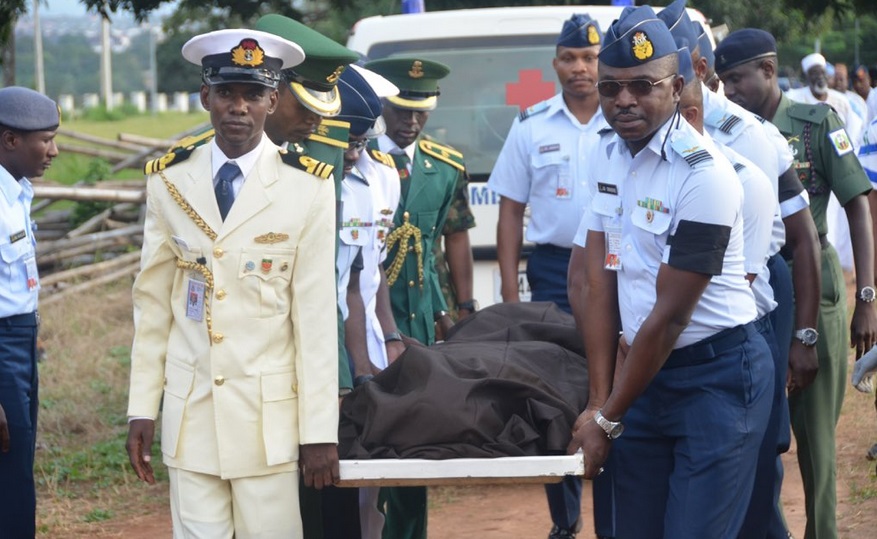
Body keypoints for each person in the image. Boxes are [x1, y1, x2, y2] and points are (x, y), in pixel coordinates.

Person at [567, 7, 774, 538]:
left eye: (643, 85)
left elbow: (670, 316)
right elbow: (597, 276)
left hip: (718, 379)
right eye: (611, 89)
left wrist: (607, 417)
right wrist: (597, 400)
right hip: (642, 380)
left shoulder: (706, 175)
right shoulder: (608, 157)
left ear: (678, 84)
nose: (625, 101)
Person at [125, 29, 340, 538]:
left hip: (268, 427)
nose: (237, 107)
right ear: (206, 98)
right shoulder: (169, 181)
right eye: (225, 93)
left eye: (251, 95)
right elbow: (153, 305)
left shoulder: (306, 187)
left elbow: (312, 320)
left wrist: (318, 432)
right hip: (191, 416)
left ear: (273, 100)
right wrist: (141, 407)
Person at [716, 29, 877, 539]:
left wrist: (867, 296)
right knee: (760, 437)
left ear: (768, 69)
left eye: (737, 77)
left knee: (816, 441)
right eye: (722, 80)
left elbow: (859, 204)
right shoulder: (724, 131)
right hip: (750, 283)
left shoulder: (815, 124)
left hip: (816, 280)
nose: (729, 89)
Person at [488, 13, 606, 538]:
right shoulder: (531, 125)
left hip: (615, 268)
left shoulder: (626, 118)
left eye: (589, 58)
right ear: (555, 63)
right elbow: (510, 212)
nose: (579, 68)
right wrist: (513, 298)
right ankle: (564, 520)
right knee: (554, 390)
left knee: (610, 384)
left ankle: (618, 513)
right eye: (569, 58)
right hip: (555, 270)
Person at [364, 55, 462, 539]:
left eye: (421, 111)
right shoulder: (356, 162)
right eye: (402, 110)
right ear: (384, 104)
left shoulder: (444, 168)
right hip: (363, 326)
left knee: (413, 444)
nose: (411, 121)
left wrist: (449, 311)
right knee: (365, 436)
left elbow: (442, 245)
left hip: (418, 325)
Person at [0, 86, 59, 539]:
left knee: (17, 460)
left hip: (20, 342)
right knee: (8, 468)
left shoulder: (17, 193)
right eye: (46, 139)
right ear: (10, 140)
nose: (53, 151)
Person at [787, 53, 863, 146]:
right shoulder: (795, 98)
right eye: (815, 73)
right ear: (807, 77)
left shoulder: (840, 100)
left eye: (823, 72)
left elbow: (854, 128)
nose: (820, 76)